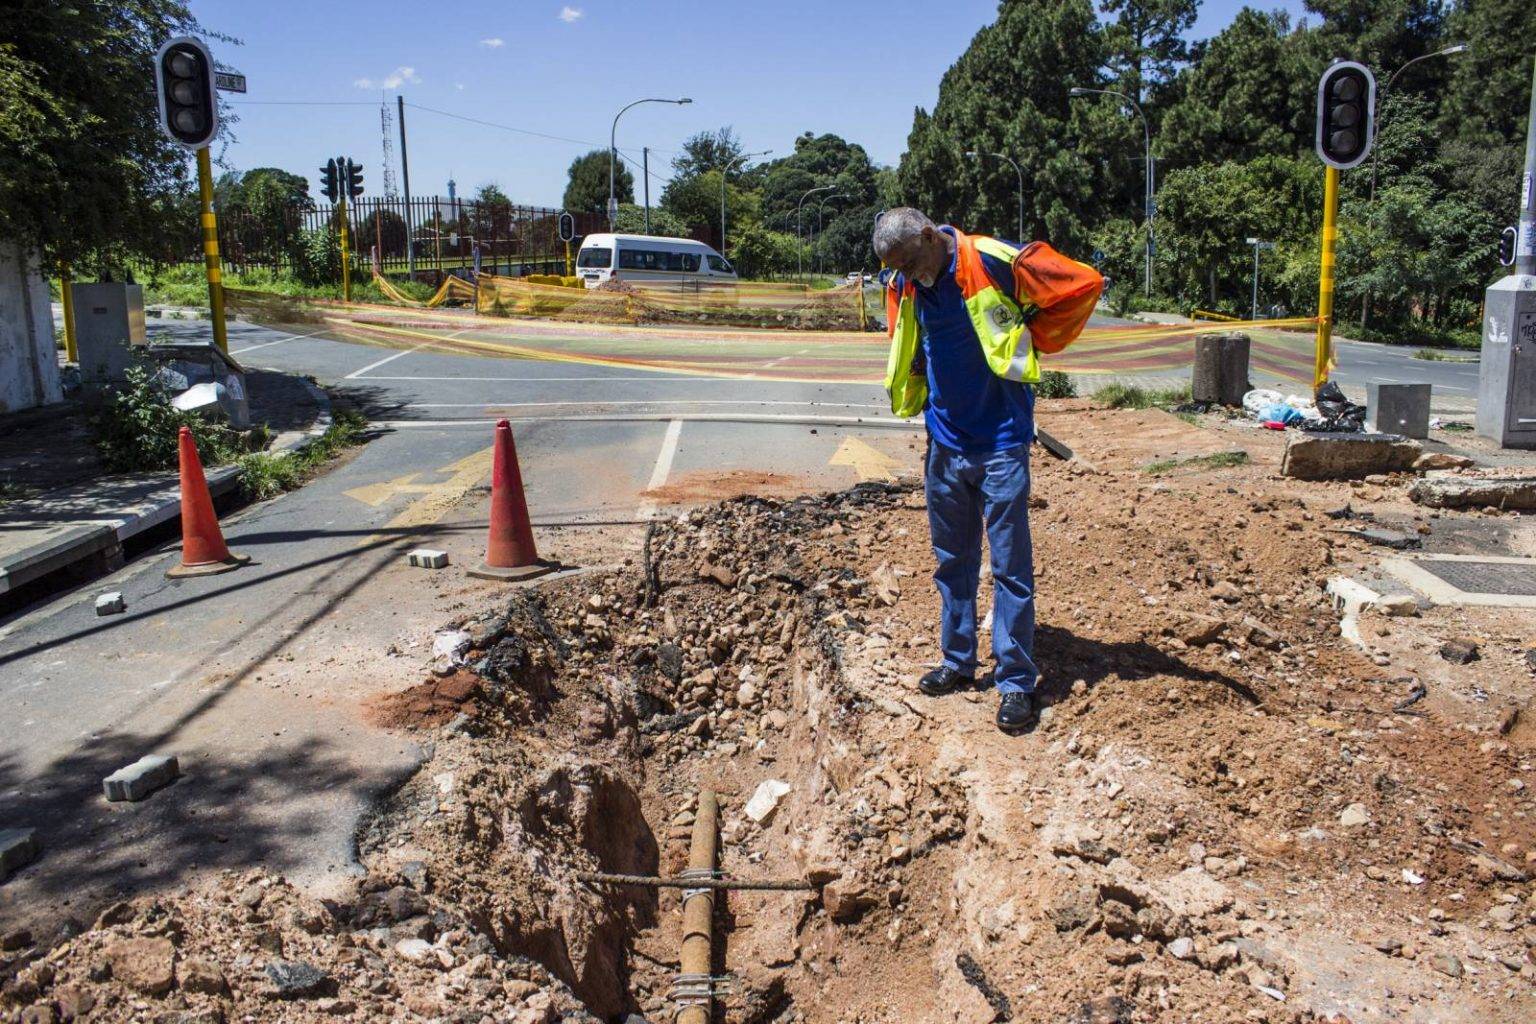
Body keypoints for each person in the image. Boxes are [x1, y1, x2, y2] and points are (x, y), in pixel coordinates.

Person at [873, 208, 1101, 733]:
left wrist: (1035, 335)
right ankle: (957, 662)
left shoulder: (993, 260)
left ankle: (1016, 681)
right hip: (946, 445)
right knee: (952, 561)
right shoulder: (905, 283)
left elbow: (1082, 283)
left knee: (1009, 568)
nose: (907, 274)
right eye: (897, 268)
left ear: (930, 236)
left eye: (910, 261)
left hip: (1001, 442)